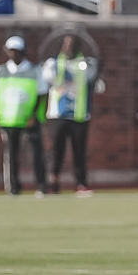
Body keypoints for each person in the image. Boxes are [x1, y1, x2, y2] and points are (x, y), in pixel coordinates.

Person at [0, 35, 47, 196]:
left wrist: (33, 115)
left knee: (36, 153)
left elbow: (42, 93)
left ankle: (41, 185)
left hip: (29, 118)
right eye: (10, 51)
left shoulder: (34, 70)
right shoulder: (0, 70)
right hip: (8, 119)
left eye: (16, 51)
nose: (13, 54)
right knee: (11, 155)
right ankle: (14, 187)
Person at [42, 32, 102, 196]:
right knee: (55, 151)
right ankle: (53, 183)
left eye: (72, 44)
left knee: (79, 150)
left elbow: (91, 75)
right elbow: (47, 78)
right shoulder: (53, 63)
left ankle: (81, 183)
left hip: (78, 114)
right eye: (66, 44)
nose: (68, 48)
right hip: (57, 114)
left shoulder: (86, 64)